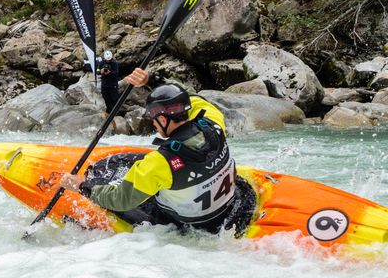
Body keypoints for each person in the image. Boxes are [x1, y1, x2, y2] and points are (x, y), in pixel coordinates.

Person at [59, 71, 253, 235]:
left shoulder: (160, 162)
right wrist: (151, 81)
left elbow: (120, 199)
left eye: (152, 117)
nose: (152, 122)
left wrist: (81, 186)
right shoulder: (213, 121)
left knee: (110, 185)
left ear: (163, 118)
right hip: (233, 206)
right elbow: (193, 98)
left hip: (195, 225)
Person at [97, 51, 123, 118]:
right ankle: (109, 112)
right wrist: (101, 71)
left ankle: (117, 113)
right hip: (104, 85)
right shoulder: (101, 63)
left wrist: (110, 73)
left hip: (113, 85)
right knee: (106, 99)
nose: (108, 61)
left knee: (114, 99)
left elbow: (116, 74)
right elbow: (97, 71)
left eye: (109, 59)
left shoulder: (115, 64)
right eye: (107, 60)